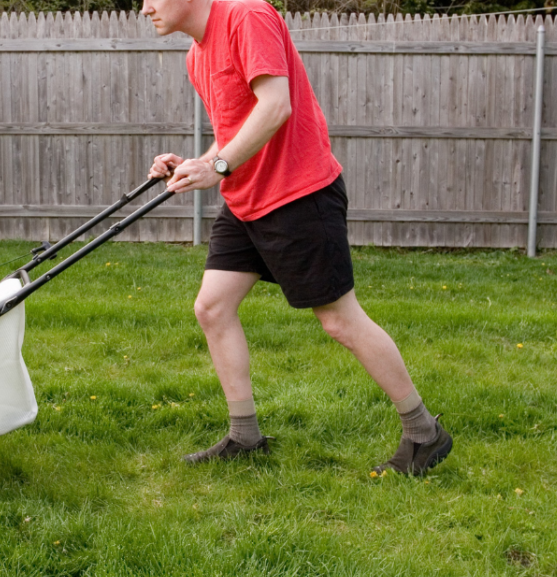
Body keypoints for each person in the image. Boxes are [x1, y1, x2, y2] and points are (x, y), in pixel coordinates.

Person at [142, 0, 452, 475]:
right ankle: (245, 437)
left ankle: (424, 433)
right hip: (246, 199)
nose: (144, 8)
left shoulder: (247, 16)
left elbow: (276, 106)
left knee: (340, 320)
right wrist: (196, 164)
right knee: (213, 307)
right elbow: (233, 130)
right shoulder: (196, 55)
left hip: (298, 195)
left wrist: (217, 166)